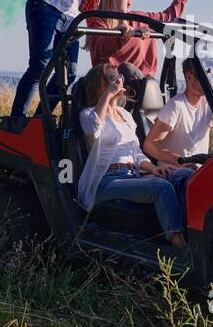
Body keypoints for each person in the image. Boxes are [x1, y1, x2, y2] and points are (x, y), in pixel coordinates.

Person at [78, 62, 187, 251]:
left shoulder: (125, 115)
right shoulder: (88, 114)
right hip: (106, 181)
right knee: (160, 188)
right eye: (111, 78)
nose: (118, 81)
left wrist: (154, 168)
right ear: (99, 85)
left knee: (183, 176)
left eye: (118, 77)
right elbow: (94, 129)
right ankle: (179, 246)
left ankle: (192, 233)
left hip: (132, 175)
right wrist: (108, 94)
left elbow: (135, 152)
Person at [86, 0, 197, 80]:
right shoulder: (99, 23)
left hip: (145, 85)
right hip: (114, 86)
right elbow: (100, 50)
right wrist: (126, 34)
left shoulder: (140, 18)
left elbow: (167, 17)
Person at [144, 57, 213, 181]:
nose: (211, 82)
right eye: (207, 77)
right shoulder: (175, 107)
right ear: (189, 76)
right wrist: (181, 162)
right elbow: (149, 145)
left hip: (200, 170)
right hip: (175, 173)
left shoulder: (210, 104)